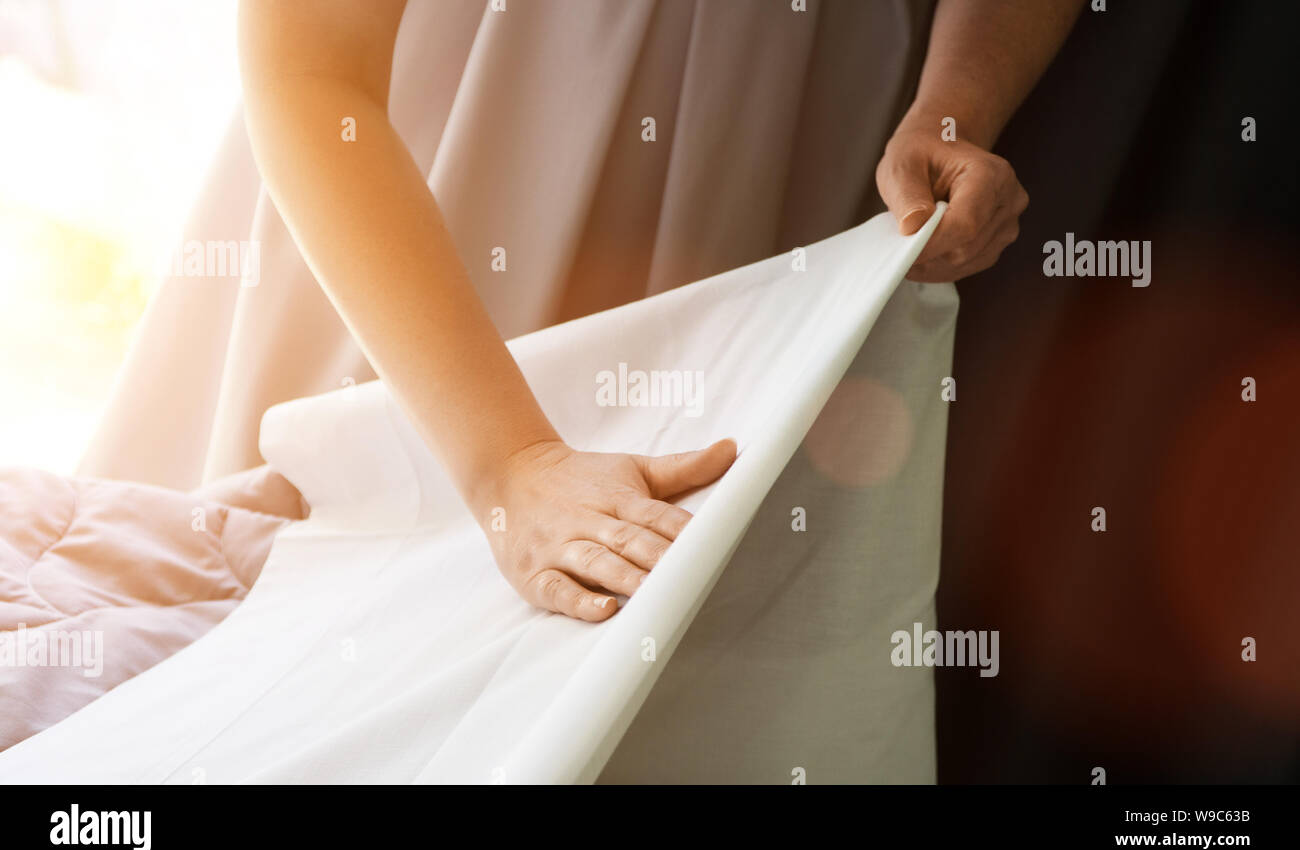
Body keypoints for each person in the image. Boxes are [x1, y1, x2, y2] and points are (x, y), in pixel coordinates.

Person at [234, 0, 1081, 621]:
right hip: (424, 234)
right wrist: (511, 465)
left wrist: (955, 109)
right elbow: (306, 66)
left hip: (783, 183)